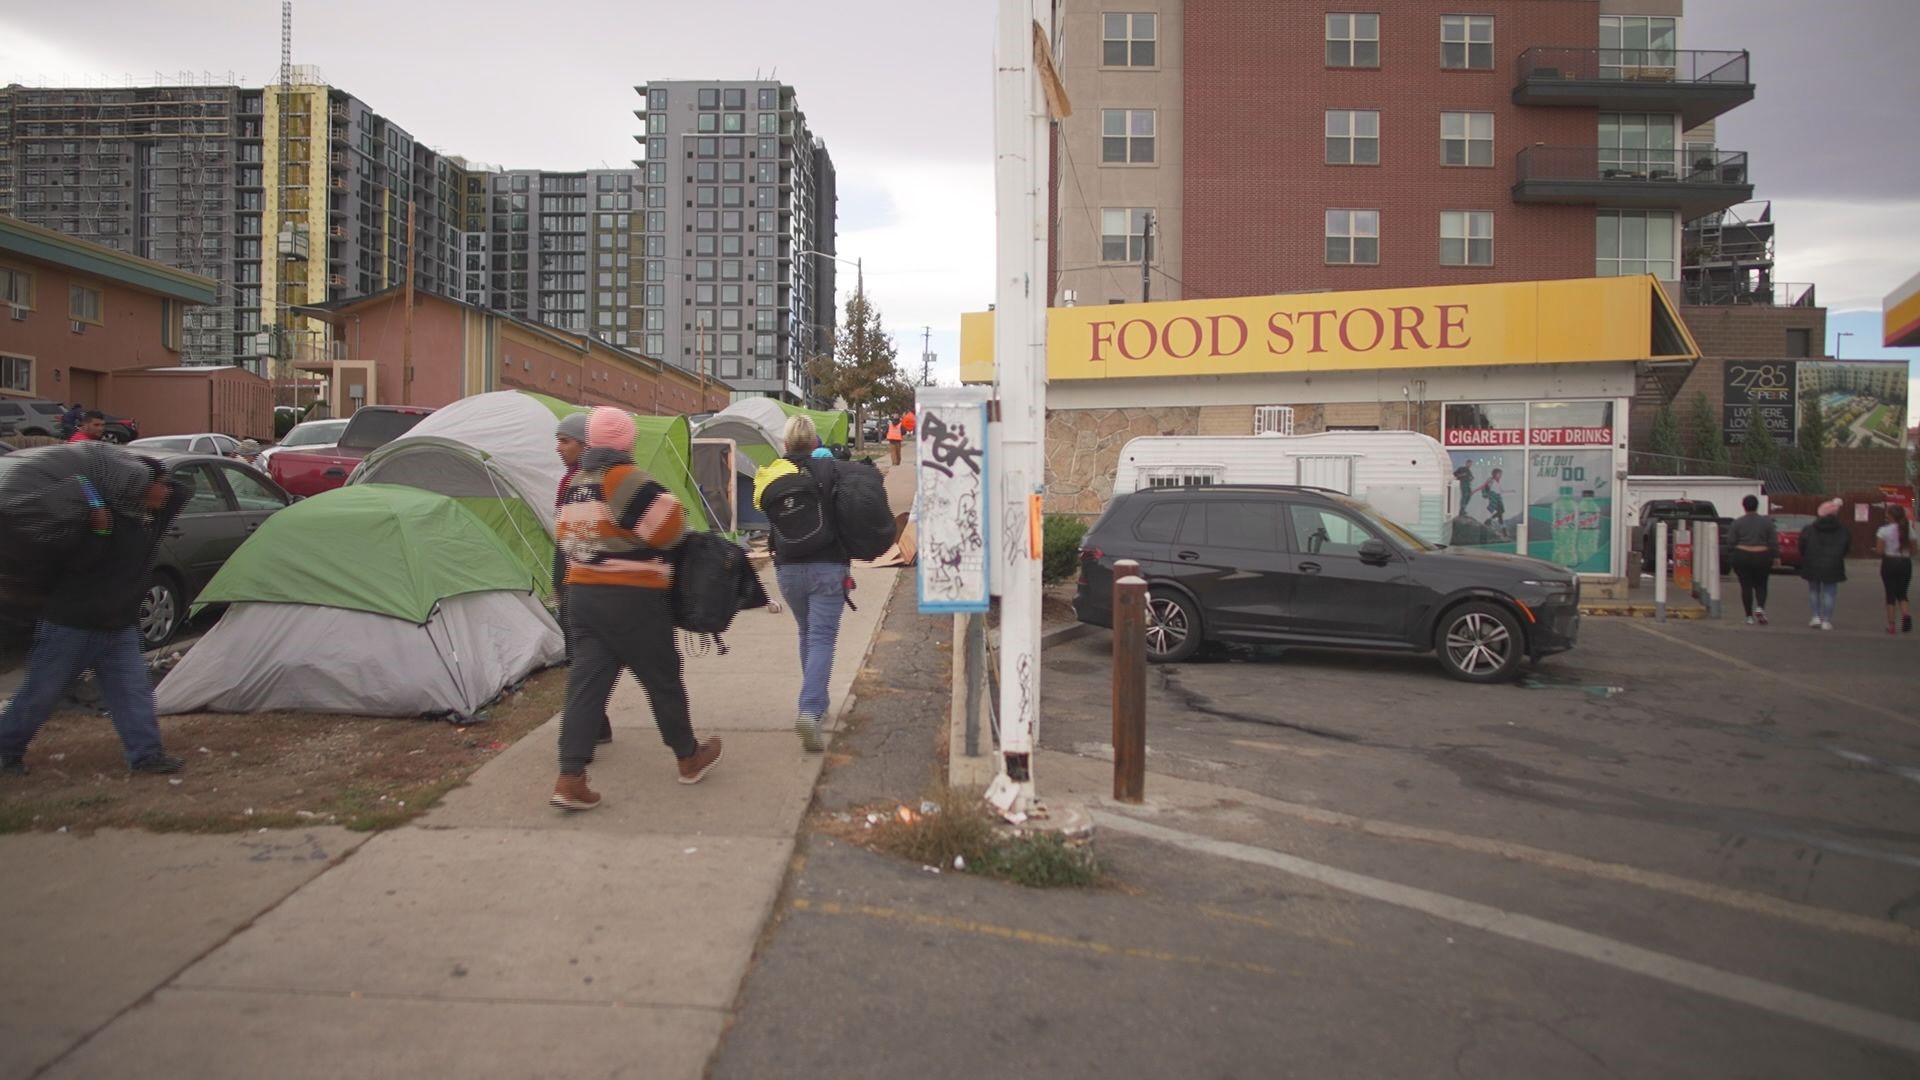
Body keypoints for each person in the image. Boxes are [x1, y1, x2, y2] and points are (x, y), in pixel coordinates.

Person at [550, 407, 720, 810]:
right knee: (662, 679)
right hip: (632, 598)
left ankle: (570, 776)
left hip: (583, 597)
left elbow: (565, 538)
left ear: (590, 441)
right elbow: (670, 531)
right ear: (628, 443)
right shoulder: (627, 480)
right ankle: (688, 757)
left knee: (586, 685)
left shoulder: (577, 484)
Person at [1, 457, 188, 776]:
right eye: (161, 484)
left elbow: (183, 491)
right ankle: (5, 751)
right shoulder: (94, 522)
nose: (167, 491)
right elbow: (77, 567)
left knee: (133, 692)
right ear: (141, 486)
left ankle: (145, 755)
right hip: (71, 625)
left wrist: (128, 476)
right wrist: (96, 517)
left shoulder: (149, 520)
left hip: (118, 627)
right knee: (42, 693)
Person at [754, 415, 848, 752]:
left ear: (784, 444)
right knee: (822, 637)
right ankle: (809, 709)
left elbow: (761, 506)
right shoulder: (829, 470)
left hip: (788, 569)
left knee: (807, 632)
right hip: (827, 565)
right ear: (815, 443)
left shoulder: (770, 475)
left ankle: (817, 705)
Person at [550, 412, 612, 749]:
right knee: (588, 657)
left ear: (585, 445)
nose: (558, 448)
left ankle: (582, 738)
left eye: (565, 441)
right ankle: (596, 724)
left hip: (585, 579)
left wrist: (564, 581)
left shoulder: (583, 482)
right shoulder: (571, 479)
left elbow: (574, 540)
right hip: (579, 577)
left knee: (584, 657)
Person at [1798, 498, 1850, 631]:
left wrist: (1806, 557)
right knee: (1829, 592)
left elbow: (1802, 545)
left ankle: (1815, 616)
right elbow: (1846, 547)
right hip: (1833, 564)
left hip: (1812, 563)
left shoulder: (1809, 529)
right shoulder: (1843, 530)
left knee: (1814, 591)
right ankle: (1826, 620)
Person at [1726, 494, 1778, 625]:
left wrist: (1732, 556)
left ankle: (1748, 616)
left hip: (1742, 555)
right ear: (1757, 506)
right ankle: (1760, 607)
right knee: (1761, 584)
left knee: (1746, 586)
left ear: (1744, 506)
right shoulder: (1767, 522)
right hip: (1762, 555)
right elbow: (1773, 541)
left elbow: (1731, 542)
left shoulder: (1737, 522)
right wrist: (1776, 556)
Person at [1878, 504, 1914, 635]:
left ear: (1891, 516)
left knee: (1890, 595)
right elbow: (1914, 549)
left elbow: (1880, 550)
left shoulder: (1883, 531)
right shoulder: (1908, 529)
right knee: (1902, 593)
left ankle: (1891, 625)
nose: (1886, 516)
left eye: (1888, 514)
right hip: (1905, 563)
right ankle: (1905, 615)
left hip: (1889, 562)